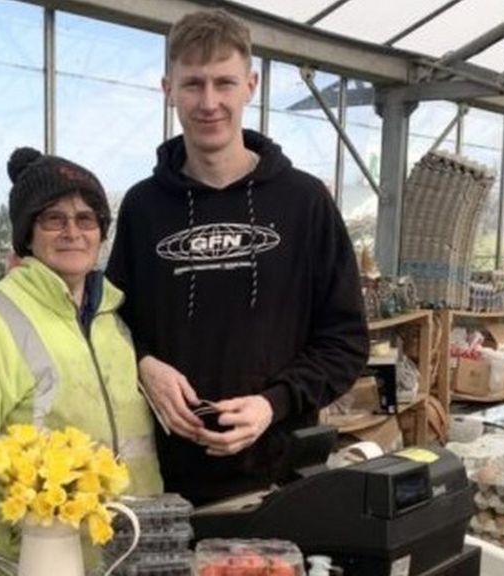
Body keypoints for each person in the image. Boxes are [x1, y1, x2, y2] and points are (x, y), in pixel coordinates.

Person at [106, 8, 369, 505]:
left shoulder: (304, 202)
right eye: (193, 84)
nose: (209, 102)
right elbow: (110, 324)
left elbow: (345, 341)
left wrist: (274, 404)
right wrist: (141, 364)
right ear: (168, 89)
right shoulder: (143, 207)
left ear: (250, 85)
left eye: (224, 83)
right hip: (162, 483)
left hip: (278, 478)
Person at [0, 147, 163, 575]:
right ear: (27, 234)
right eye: (53, 219)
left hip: (125, 559)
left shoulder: (114, 325)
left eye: (86, 219)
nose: (72, 232)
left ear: (102, 233)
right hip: (32, 565)